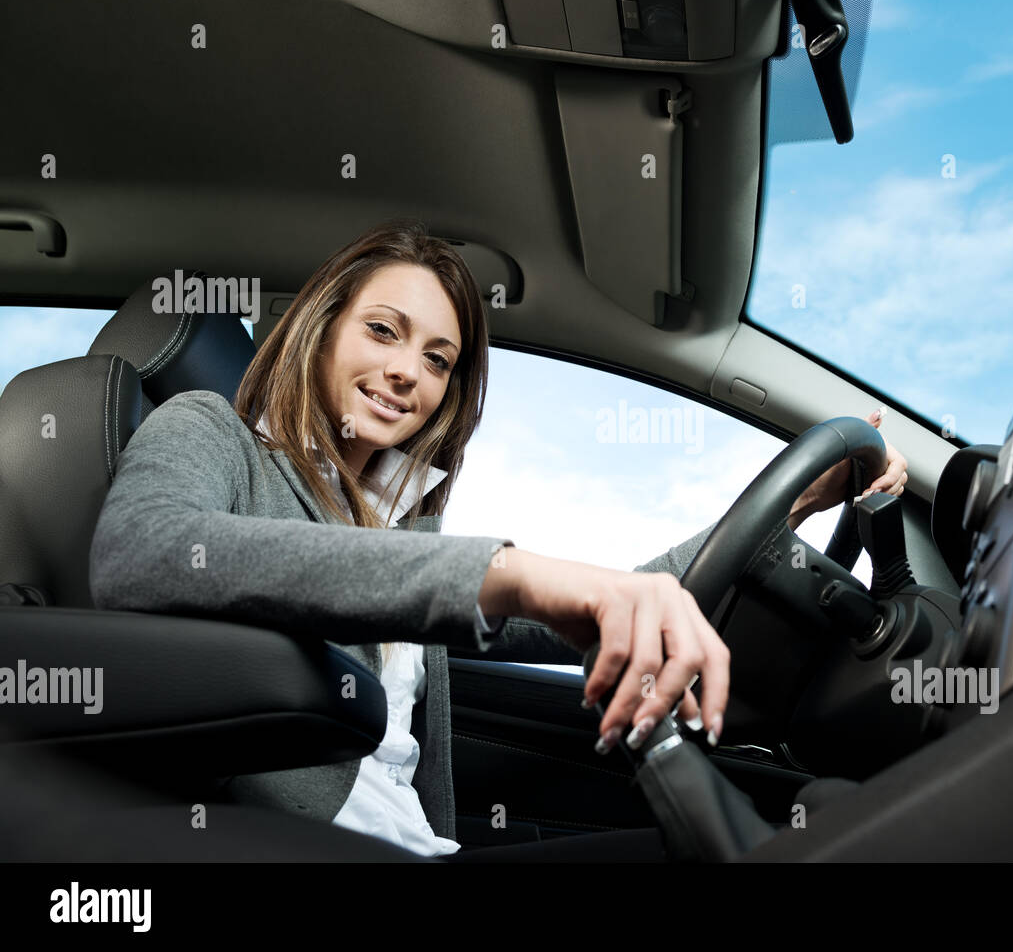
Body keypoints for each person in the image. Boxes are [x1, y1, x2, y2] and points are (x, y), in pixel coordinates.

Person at [88, 219, 908, 861]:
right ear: (322, 327)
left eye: (438, 358)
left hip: (421, 846)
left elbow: (588, 597)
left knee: (814, 826)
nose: (408, 370)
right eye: (383, 330)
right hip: (307, 849)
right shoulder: (212, 432)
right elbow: (142, 549)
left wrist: (795, 501)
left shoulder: (397, 520)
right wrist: (504, 573)